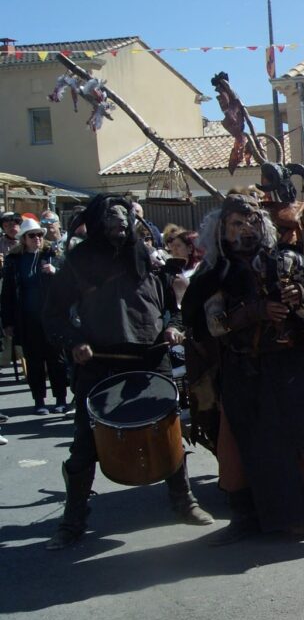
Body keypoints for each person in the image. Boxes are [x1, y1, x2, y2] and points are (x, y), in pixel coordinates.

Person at [42, 195, 212, 550]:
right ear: (96, 222)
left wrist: (173, 328)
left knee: (169, 435)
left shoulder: (150, 258)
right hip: (99, 363)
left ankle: (184, 502)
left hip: (150, 358)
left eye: (124, 217)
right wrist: (73, 341)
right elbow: (53, 315)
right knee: (85, 445)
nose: (120, 223)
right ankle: (73, 521)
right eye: (111, 217)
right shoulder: (78, 261)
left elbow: (174, 308)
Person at [182, 195, 304, 542]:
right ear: (222, 231)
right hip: (241, 368)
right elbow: (201, 322)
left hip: (288, 365)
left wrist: (303, 289)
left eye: (252, 222)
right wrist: (251, 313)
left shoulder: (285, 259)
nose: (246, 229)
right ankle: (246, 517)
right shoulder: (215, 272)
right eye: (236, 224)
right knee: (243, 445)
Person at [1, 218, 69, 414]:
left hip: (53, 318)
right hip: (27, 319)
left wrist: (56, 271)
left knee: (57, 361)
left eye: (40, 235)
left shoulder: (52, 254)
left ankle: (61, 399)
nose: (37, 239)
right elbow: (7, 294)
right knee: (34, 362)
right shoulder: (15, 261)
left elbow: (70, 282)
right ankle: (39, 400)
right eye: (32, 235)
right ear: (24, 239)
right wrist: (8, 322)